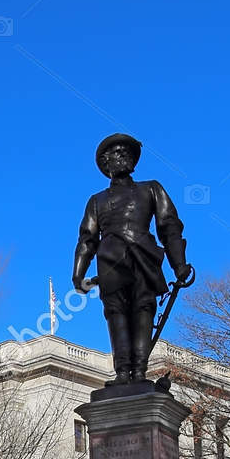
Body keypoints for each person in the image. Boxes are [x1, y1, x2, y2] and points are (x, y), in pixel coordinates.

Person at [72, 133, 194, 386]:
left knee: (143, 309)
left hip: (144, 257)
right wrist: (78, 276)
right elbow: (87, 239)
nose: (124, 156)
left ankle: (139, 372)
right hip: (110, 262)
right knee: (116, 313)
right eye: (118, 153)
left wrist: (179, 264)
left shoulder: (151, 188)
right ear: (106, 164)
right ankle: (122, 372)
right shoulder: (97, 201)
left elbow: (169, 227)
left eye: (128, 152)